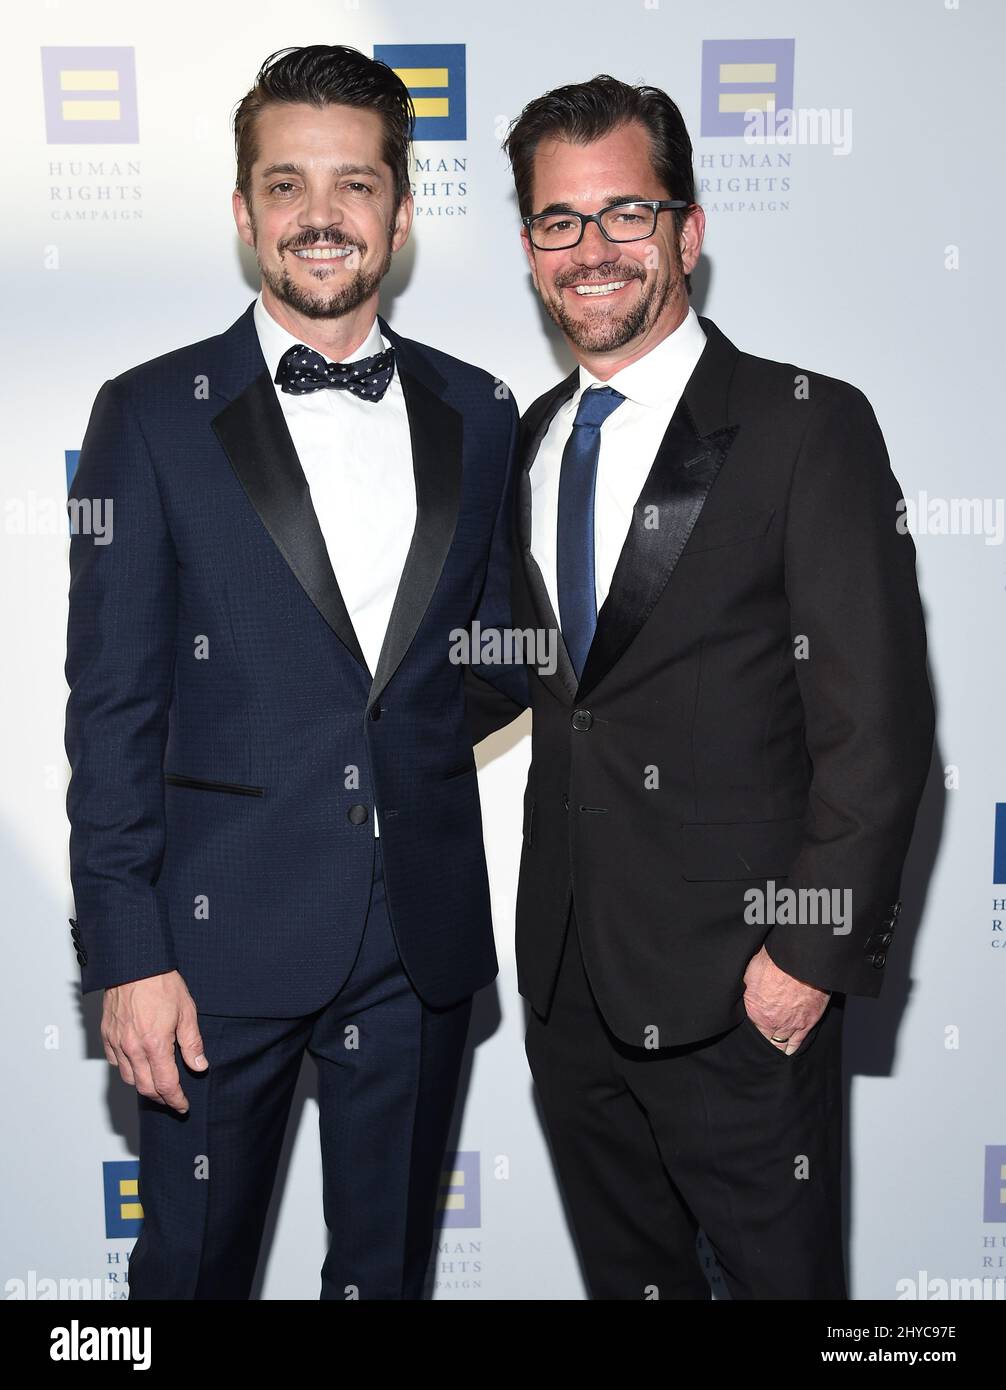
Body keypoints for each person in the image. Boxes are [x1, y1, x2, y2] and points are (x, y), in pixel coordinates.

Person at [64, 44, 524, 1300]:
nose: (320, 215)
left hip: (417, 936)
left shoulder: (480, 411)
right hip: (209, 949)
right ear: (242, 211)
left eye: (354, 184)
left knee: (387, 1277)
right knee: (189, 1276)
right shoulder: (152, 414)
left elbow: (495, 645)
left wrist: (399, 744)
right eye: (286, 185)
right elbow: (110, 706)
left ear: (402, 209)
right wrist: (126, 949)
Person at [490, 74, 935, 1299]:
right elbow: (523, 682)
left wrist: (805, 957)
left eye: (626, 213)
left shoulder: (806, 425)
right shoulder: (524, 439)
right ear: (529, 250)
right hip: (570, 987)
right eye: (558, 221)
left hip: (745, 991)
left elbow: (879, 728)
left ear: (688, 230)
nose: (592, 250)